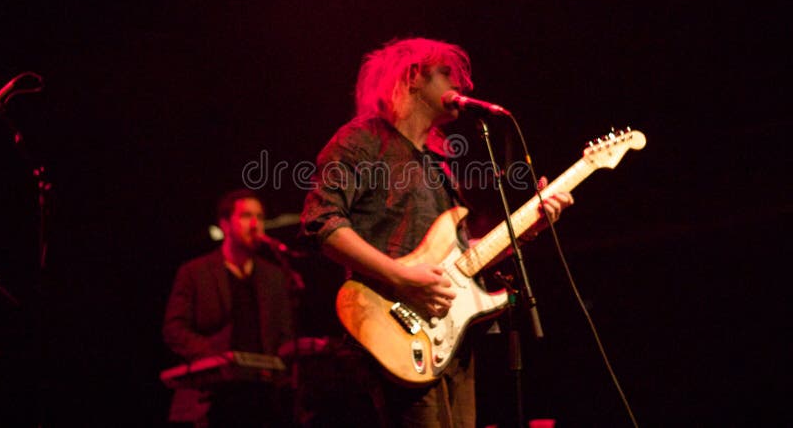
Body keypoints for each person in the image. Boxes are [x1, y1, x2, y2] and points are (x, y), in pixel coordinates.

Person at [299, 37, 574, 427]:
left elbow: (463, 260)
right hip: (393, 333)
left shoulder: (438, 164)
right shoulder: (361, 141)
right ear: (413, 77)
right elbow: (320, 222)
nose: (464, 86)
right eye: (447, 73)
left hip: (450, 341)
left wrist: (529, 228)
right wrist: (401, 276)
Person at [163, 189, 297, 427]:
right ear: (224, 224)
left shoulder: (275, 276)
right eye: (246, 216)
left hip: (263, 397)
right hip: (211, 396)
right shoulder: (194, 272)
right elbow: (174, 329)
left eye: (260, 216)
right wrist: (216, 358)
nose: (256, 224)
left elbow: (284, 334)